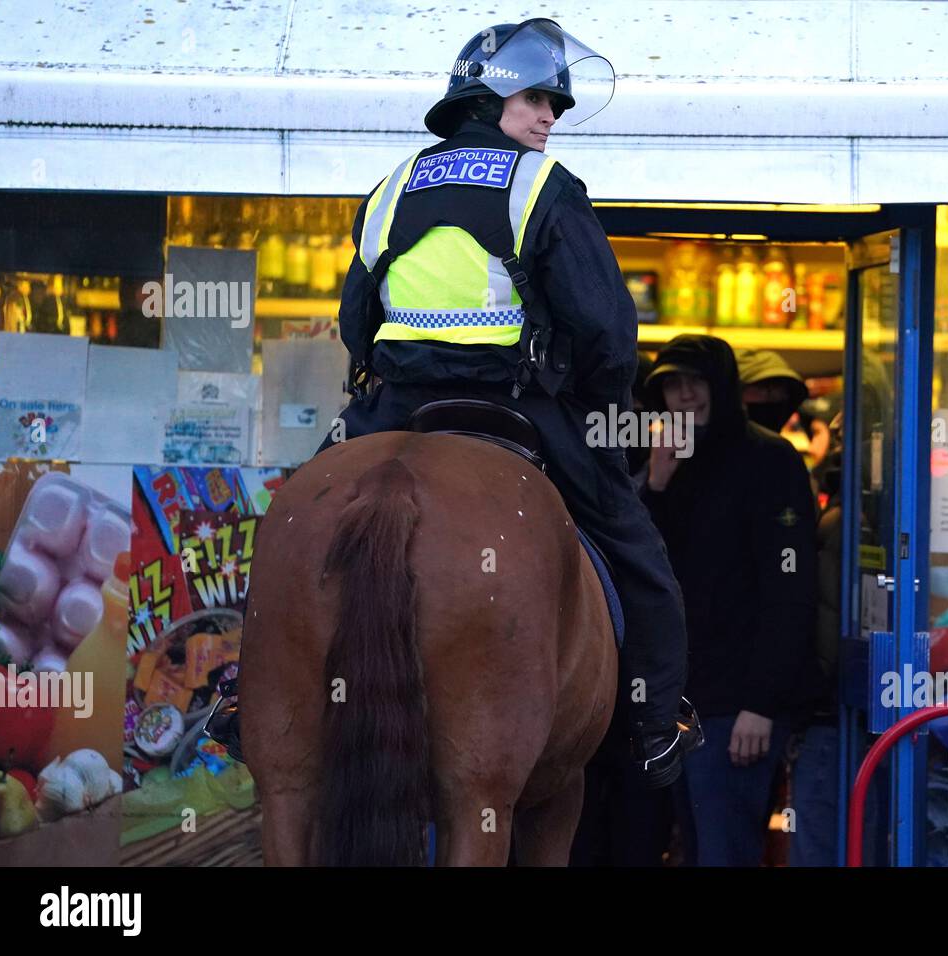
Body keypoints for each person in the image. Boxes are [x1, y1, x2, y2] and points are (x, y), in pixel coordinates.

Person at [213, 19, 695, 788]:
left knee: (289, 525)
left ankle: (243, 701)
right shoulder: (544, 186)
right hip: (521, 405)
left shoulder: (393, 185)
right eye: (537, 98)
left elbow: (356, 319)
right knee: (638, 552)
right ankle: (655, 724)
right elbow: (606, 330)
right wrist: (597, 409)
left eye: (558, 107)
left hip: (394, 404)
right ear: (489, 93)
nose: (549, 117)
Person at [641, 334, 819, 865]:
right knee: (692, 848)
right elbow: (647, 571)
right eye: (672, 383)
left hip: (736, 710)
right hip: (676, 703)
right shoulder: (666, 459)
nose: (685, 395)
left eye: (696, 381)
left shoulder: (770, 460)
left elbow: (790, 591)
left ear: (723, 386)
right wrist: (656, 488)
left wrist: (761, 705)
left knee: (726, 851)